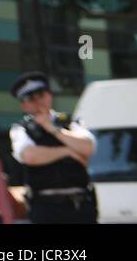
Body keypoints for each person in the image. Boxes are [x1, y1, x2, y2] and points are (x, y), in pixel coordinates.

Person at [7, 70, 98, 223]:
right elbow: (30, 156)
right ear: (24, 105)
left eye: (41, 94)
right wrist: (68, 150)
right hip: (46, 208)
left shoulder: (70, 123)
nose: (38, 101)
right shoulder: (21, 129)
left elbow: (88, 147)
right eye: (30, 98)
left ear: (49, 95)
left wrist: (53, 129)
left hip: (80, 206)